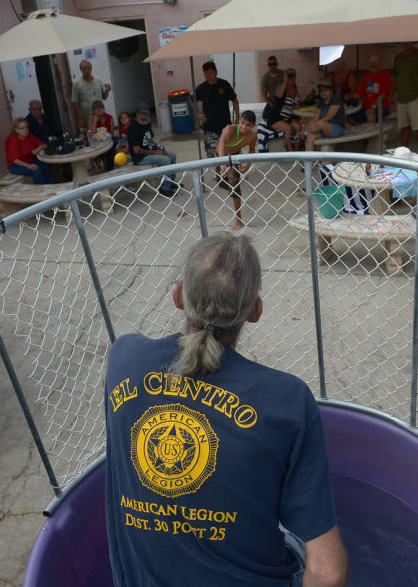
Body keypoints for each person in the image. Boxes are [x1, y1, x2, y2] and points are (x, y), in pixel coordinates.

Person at [104, 232, 349, 587]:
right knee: (295, 539)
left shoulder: (124, 359)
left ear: (177, 297)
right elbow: (328, 574)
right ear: (255, 311)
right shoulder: (286, 400)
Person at [215, 110, 258, 231]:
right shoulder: (230, 129)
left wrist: (247, 166)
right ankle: (230, 187)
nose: (244, 127)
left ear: (253, 126)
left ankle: (238, 219)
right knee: (222, 183)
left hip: (234, 157)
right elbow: (222, 144)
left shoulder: (252, 136)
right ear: (239, 121)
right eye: (242, 123)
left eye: (248, 125)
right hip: (221, 156)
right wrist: (223, 164)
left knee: (234, 188)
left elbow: (251, 150)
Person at [127, 102, 179, 196]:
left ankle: (170, 183)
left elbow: (149, 140)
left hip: (150, 152)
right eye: (142, 114)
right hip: (140, 158)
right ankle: (164, 188)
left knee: (172, 155)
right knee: (166, 160)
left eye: (146, 113)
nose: (144, 116)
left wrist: (160, 147)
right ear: (137, 114)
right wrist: (156, 152)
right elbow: (136, 150)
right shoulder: (133, 128)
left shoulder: (146, 123)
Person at [393, 42, 418, 155]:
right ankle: (403, 152)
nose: (405, 44)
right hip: (401, 99)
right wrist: (391, 94)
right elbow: (395, 77)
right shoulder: (398, 57)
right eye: (403, 42)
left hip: (416, 98)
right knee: (404, 127)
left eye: (408, 41)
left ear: (413, 42)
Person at [194, 61, 240, 158]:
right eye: (206, 73)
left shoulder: (224, 84)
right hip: (210, 129)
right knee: (214, 158)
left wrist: (237, 118)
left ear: (216, 72)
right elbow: (191, 100)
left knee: (231, 156)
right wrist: (197, 113)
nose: (208, 75)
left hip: (226, 128)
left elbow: (235, 101)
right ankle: (219, 173)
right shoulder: (201, 88)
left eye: (210, 72)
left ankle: (231, 172)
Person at [264, 68, 304, 152]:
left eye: (293, 75)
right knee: (288, 128)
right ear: (285, 76)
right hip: (275, 117)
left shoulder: (294, 89)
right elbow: (279, 95)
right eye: (289, 75)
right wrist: (285, 81)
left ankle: (296, 151)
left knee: (298, 127)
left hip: (286, 118)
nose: (291, 77)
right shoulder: (281, 86)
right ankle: (290, 152)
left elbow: (296, 104)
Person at [4, 118, 52, 184]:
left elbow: (41, 145)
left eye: (26, 127)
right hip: (16, 165)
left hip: (29, 160)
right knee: (36, 172)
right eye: (22, 128)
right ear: (16, 130)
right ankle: (40, 191)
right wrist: (28, 166)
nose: (25, 130)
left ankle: (49, 189)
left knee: (46, 168)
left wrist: (40, 148)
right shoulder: (13, 140)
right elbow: (15, 160)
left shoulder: (29, 135)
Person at [71, 59, 110, 132]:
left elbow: (104, 97)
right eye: (84, 68)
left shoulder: (98, 80)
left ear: (91, 68)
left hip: (101, 115)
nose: (86, 70)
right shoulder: (76, 84)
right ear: (81, 70)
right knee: (92, 137)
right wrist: (79, 119)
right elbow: (75, 103)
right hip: (87, 117)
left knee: (104, 134)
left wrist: (107, 90)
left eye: (88, 68)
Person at [304, 84, 345, 151]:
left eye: (325, 90)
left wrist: (310, 126)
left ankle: (303, 134)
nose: (322, 92)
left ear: (331, 91)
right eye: (321, 90)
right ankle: (308, 161)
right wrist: (310, 124)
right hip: (323, 129)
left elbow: (328, 118)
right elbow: (315, 118)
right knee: (310, 136)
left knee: (320, 123)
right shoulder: (321, 101)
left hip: (337, 128)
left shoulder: (336, 99)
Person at [354, 55, 391, 124]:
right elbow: (358, 93)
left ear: (379, 64)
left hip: (381, 107)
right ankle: (363, 133)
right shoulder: (366, 77)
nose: (371, 65)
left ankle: (374, 134)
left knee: (370, 115)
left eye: (374, 63)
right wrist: (347, 100)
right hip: (365, 107)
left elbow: (383, 95)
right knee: (349, 117)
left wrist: (372, 107)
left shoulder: (385, 75)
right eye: (370, 63)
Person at [87, 100, 116, 170]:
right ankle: (109, 168)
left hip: (107, 139)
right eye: (96, 108)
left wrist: (106, 139)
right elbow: (91, 134)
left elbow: (112, 134)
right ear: (93, 110)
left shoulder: (109, 117)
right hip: (96, 141)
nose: (98, 110)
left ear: (103, 108)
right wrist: (95, 121)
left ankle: (100, 158)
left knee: (114, 142)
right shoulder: (91, 117)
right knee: (110, 149)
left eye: (100, 107)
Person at [260, 55, 285, 120]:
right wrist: (272, 105)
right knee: (265, 115)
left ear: (277, 64)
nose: (271, 66)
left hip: (284, 100)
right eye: (269, 64)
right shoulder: (265, 78)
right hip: (273, 101)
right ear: (268, 65)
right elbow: (264, 95)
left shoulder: (283, 74)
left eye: (273, 64)